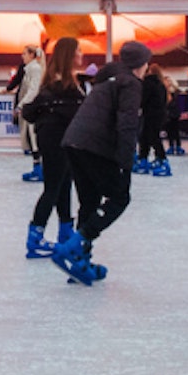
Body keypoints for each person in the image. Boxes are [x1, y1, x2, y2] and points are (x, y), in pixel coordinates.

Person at [51, 40, 150, 286]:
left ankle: (79, 261)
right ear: (141, 64)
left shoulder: (107, 81)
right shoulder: (131, 83)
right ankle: (73, 246)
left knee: (90, 201)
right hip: (92, 146)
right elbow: (127, 125)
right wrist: (126, 164)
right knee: (119, 198)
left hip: (74, 142)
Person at [21, 37, 85, 258]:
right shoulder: (61, 86)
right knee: (53, 187)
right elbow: (31, 110)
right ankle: (35, 237)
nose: (81, 54)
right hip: (55, 141)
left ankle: (65, 233)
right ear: (69, 54)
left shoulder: (64, 82)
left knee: (64, 185)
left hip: (61, 141)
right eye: (78, 51)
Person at [136, 60, 170, 175]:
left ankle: (156, 159)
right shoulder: (162, 85)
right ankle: (152, 158)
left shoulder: (147, 83)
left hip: (149, 114)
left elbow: (142, 99)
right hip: (160, 114)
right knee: (149, 136)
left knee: (149, 137)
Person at [17, 45, 45, 182]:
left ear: (32, 55)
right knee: (31, 138)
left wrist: (22, 104)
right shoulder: (29, 69)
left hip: (33, 109)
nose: (22, 56)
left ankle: (39, 169)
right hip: (30, 108)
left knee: (34, 138)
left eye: (25, 54)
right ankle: (37, 167)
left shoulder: (35, 69)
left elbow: (33, 89)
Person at [163, 73, 184, 155]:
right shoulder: (164, 92)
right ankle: (172, 146)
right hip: (168, 114)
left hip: (174, 113)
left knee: (176, 131)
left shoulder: (175, 92)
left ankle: (178, 146)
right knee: (169, 131)